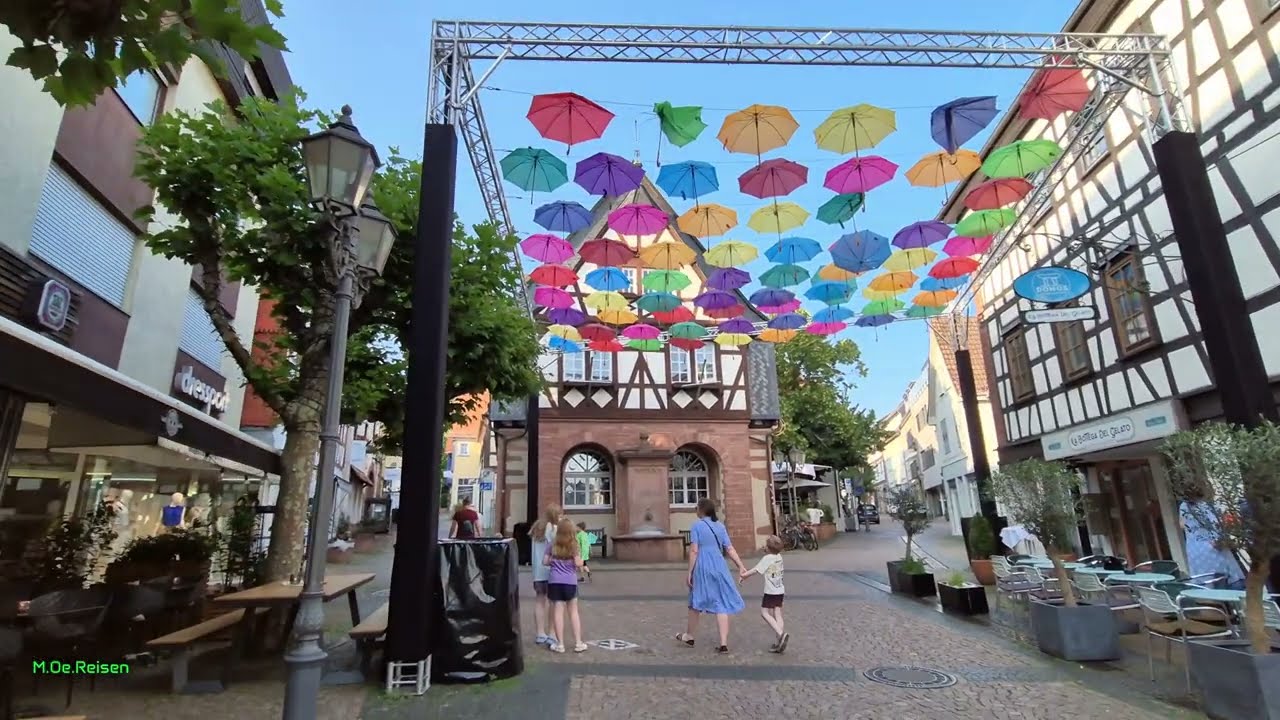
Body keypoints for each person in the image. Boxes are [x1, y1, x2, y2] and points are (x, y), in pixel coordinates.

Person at [675, 498, 746, 654]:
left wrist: (689, 572)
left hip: (703, 565)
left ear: (701, 510)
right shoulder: (720, 526)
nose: (695, 510)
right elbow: (729, 548)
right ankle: (723, 643)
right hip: (719, 565)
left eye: (696, 508)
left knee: (695, 601)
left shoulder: (697, 526)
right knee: (721, 602)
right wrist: (740, 566)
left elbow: (694, 550)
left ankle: (689, 636)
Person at [1180, 485, 1246, 590]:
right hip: (1212, 548)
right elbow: (1215, 524)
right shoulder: (1205, 506)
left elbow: (1182, 525)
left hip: (1194, 550)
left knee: (1207, 585)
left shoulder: (1184, 506)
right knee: (1229, 582)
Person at [545, 518, 587, 653]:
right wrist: (580, 561)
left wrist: (554, 560)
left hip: (555, 581)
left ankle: (560, 644)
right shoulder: (573, 545)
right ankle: (578, 643)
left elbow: (545, 561)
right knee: (573, 612)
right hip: (570, 582)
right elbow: (578, 563)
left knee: (558, 612)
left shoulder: (553, 544)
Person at [740, 535, 789, 653]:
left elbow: (756, 570)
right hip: (780, 589)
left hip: (771, 591)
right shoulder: (779, 557)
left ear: (768, 547)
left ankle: (781, 634)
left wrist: (743, 576)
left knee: (764, 613)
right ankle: (779, 642)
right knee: (777, 613)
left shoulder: (767, 558)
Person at [529, 504, 561, 647]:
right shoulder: (552, 529)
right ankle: (552, 633)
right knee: (554, 603)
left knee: (539, 601)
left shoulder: (536, 529)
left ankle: (540, 633)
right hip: (551, 570)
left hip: (537, 572)